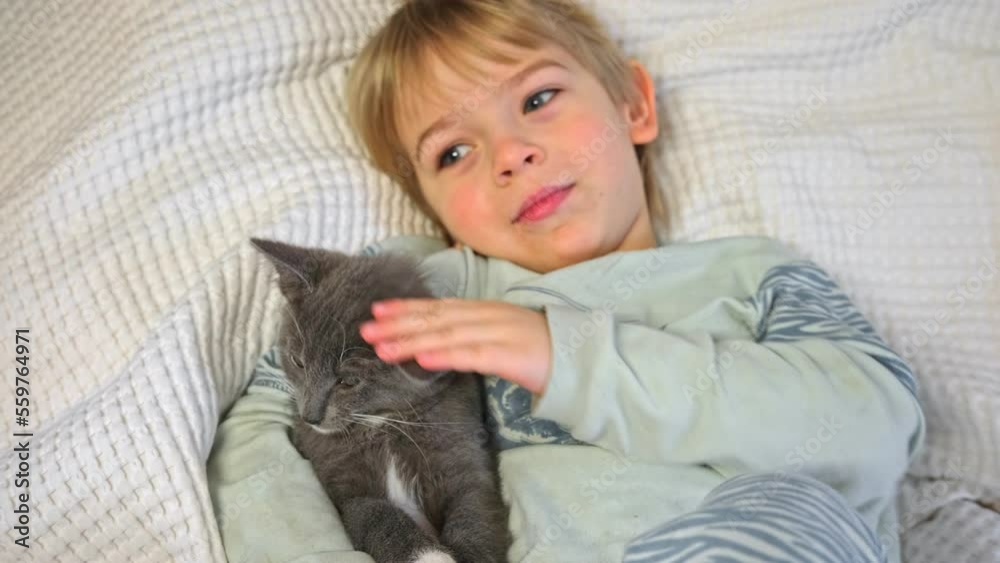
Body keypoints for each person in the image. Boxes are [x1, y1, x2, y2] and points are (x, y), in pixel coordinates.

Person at [207, 1, 926, 561]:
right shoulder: (428, 289)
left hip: (753, 536)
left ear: (633, 105)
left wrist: (567, 355)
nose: (510, 155)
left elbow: (877, 426)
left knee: (791, 513)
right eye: (454, 151)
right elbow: (269, 425)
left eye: (538, 99)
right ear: (434, 208)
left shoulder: (748, 275)